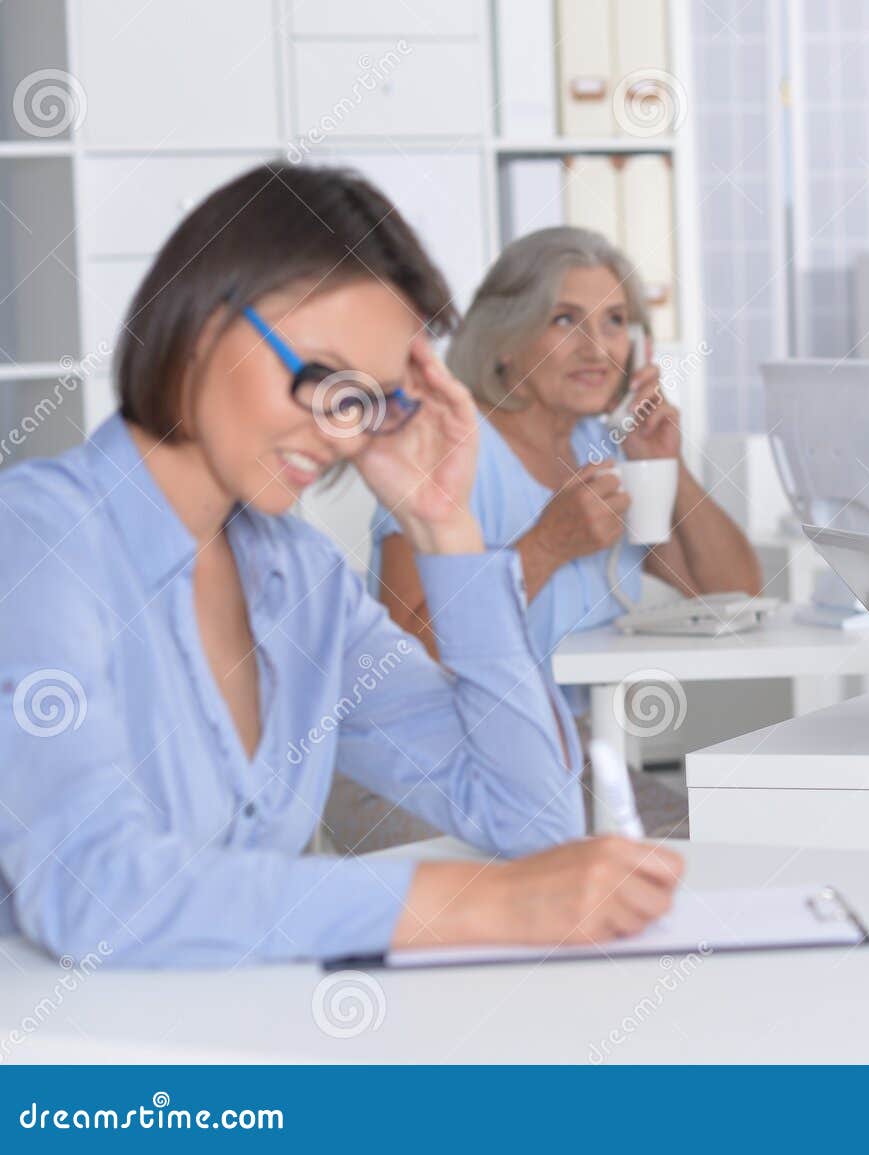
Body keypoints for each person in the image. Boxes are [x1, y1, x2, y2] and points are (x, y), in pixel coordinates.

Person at [0, 164, 682, 968]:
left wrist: (446, 529)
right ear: (201, 329)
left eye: (371, 400)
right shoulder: (36, 540)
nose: (341, 431)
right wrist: (483, 903)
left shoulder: (303, 582)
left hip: (243, 1032)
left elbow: (533, 820)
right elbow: (92, 889)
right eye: (322, 376)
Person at [371, 227, 761, 706]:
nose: (596, 349)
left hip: (581, 740)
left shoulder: (607, 448)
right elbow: (404, 656)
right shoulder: (446, 448)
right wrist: (547, 546)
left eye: (614, 321)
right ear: (504, 339)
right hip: (462, 746)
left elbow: (733, 597)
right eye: (565, 320)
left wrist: (667, 465)